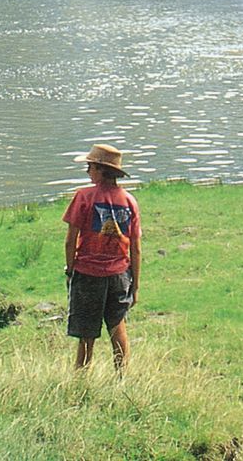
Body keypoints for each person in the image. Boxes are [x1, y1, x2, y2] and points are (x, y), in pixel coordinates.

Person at [63, 143, 141, 371]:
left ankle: (81, 377)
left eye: (90, 167)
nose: (88, 171)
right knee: (117, 326)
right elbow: (135, 248)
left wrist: (70, 269)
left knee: (86, 333)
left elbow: (70, 240)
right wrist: (135, 285)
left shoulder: (84, 197)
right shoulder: (129, 201)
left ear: (100, 170)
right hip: (119, 275)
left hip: (88, 273)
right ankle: (122, 376)